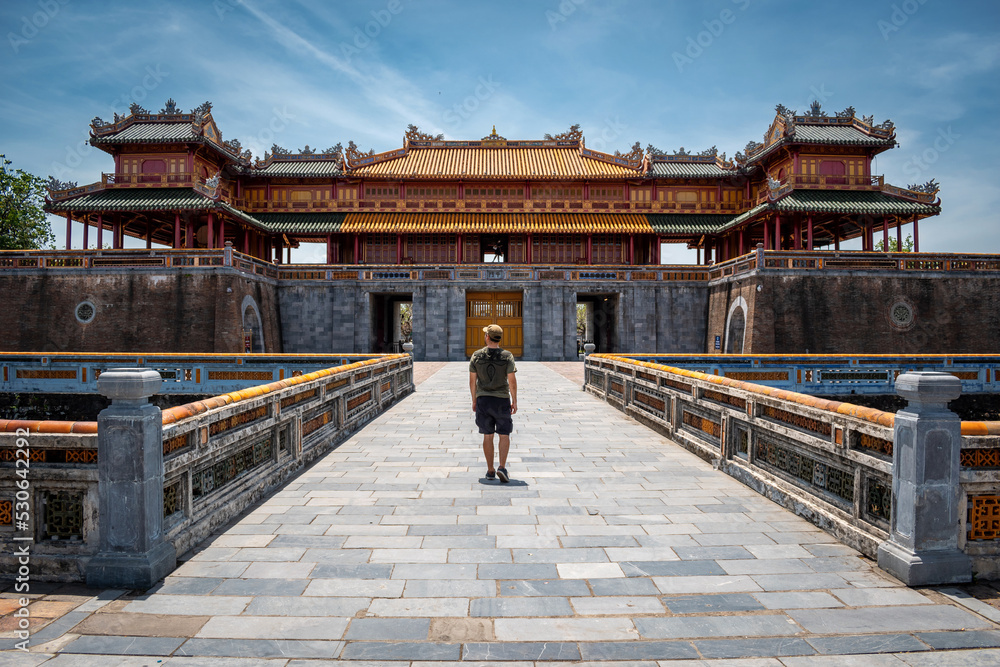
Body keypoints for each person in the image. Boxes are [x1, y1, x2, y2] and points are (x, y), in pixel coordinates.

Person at [469, 323, 517, 482]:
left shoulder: (476, 355)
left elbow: (472, 381)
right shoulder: (507, 356)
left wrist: (474, 400)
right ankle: (502, 467)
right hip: (502, 400)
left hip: (483, 400)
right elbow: (512, 380)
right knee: (504, 434)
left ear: (487, 337)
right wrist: (514, 400)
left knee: (487, 436)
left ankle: (490, 470)